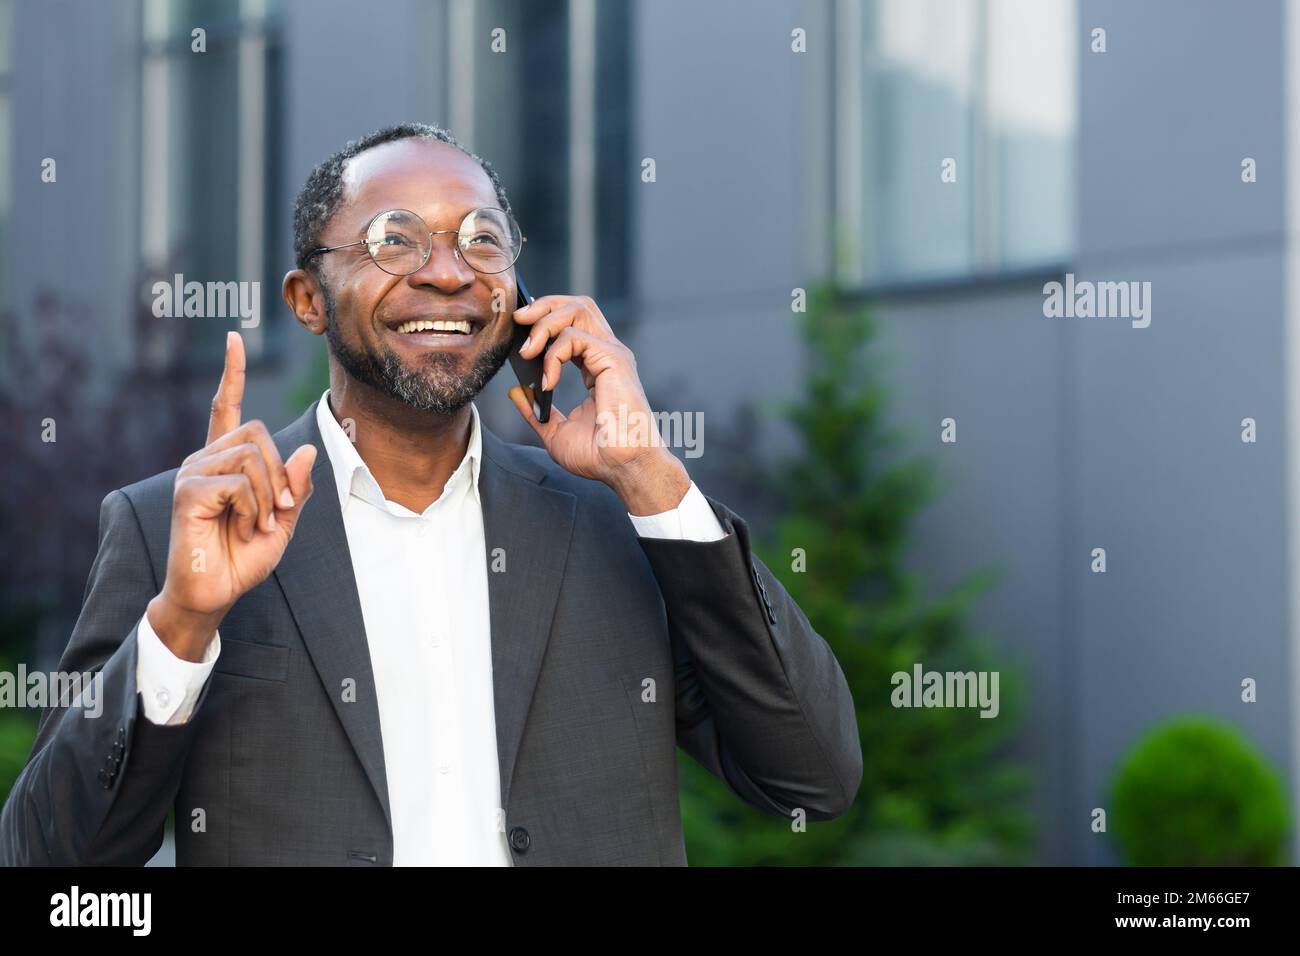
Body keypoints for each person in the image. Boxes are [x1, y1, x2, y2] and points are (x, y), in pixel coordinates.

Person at [0, 123, 861, 866]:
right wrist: (183, 624)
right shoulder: (172, 532)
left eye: (481, 240)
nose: (448, 273)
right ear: (307, 298)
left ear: (518, 298)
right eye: (395, 240)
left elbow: (811, 776)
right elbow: (51, 863)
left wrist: (654, 478)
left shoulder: (616, 523)